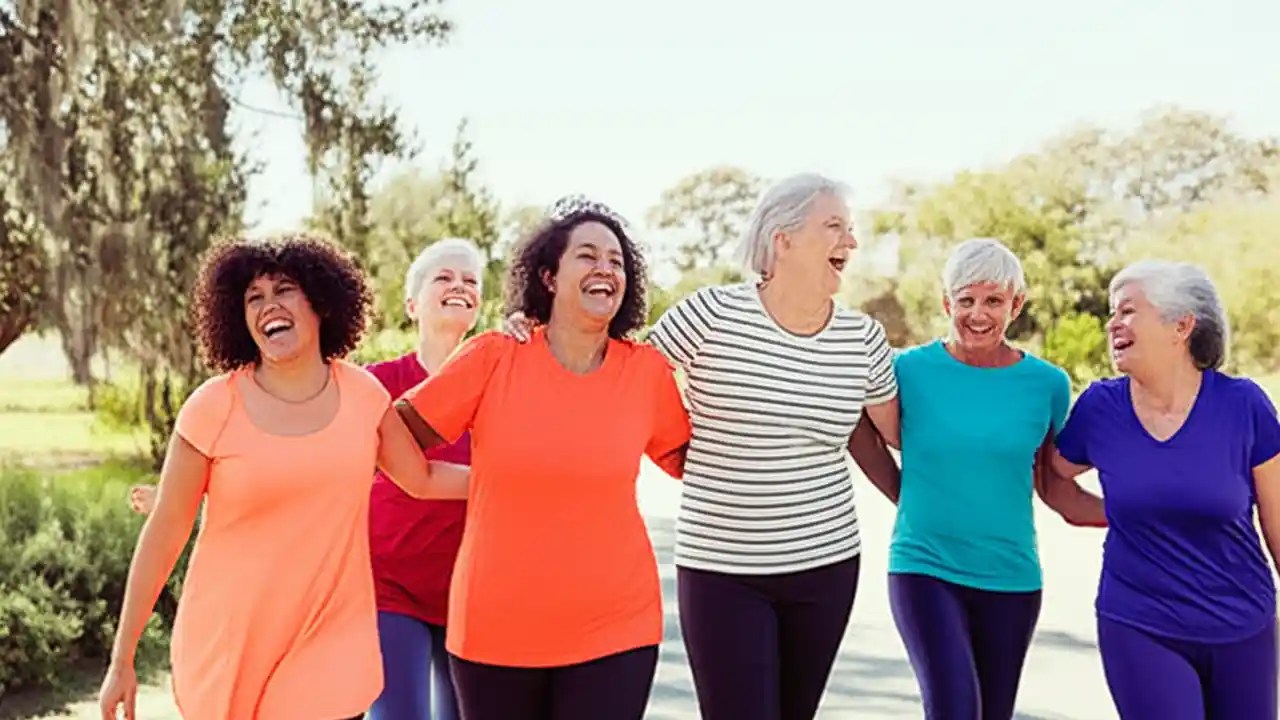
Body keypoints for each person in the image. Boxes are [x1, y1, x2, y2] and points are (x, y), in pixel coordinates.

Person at [503, 174, 900, 719]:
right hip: (722, 571)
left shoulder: (862, 339)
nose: (850, 243)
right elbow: (617, 373)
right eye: (835, 227)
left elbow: (897, 436)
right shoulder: (711, 315)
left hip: (826, 565)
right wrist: (541, 330)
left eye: (850, 231)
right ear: (782, 239)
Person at [98, 234, 469, 720]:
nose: (269, 305)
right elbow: (166, 531)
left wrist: (516, 481)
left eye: (284, 290)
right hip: (229, 640)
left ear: (320, 302)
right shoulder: (213, 407)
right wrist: (122, 658)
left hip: (330, 639)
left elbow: (420, 478)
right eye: (255, 297)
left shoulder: (364, 395)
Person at [394, 195, 692, 720]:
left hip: (616, 627)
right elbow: (397, 430)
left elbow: (691, 460)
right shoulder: (494, 355)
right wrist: (424, 482)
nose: (605, 268)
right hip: (495, 629)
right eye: (588, 256)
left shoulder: (645, 372)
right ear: (549, 278)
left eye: (616, 261)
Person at [875, 238, 1105, 720]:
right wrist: (903, 492)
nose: (978, 314)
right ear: (946, 303)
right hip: (924, 568)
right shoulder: (909, 371)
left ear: (1015, 305)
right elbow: (861, 427)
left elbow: (1053, 484)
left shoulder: (1047, 384)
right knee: (955, 709)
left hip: (1011, 577)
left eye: (994, 300)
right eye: (966, 300)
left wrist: (1134, 512)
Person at [1050, 259, 1280, 720]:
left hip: (1244, 625)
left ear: (1181, 326)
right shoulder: (1099, 408)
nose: (1112, 323)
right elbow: (1056, 478)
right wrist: (1124, 515)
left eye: (1128, 311)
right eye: (1112, 313)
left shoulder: (1245, 406)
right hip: (1140, 623)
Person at [365, 237, 484, 720]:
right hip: (390, 588)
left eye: (472, 281)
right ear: (412, 304)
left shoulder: (499, 381)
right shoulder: (376, 383)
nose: (460, 286)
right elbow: (309, 452)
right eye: (445, 277)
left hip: (472, 590)